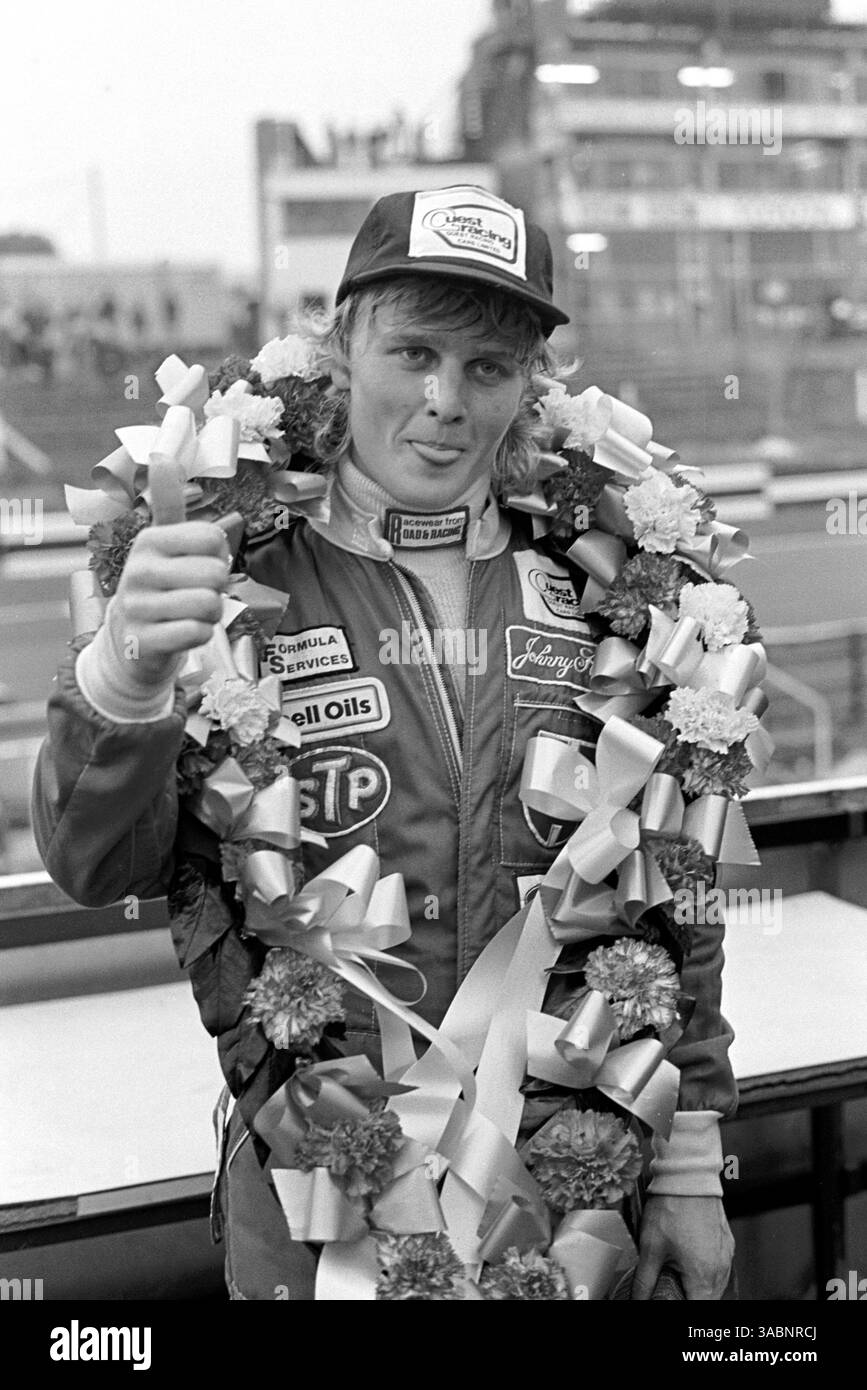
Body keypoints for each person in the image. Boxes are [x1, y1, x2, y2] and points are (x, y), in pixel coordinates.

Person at [32, 185, 736, 1301]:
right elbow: (93, 867)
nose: (444, 402)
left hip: (577, 1194)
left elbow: (676, 900)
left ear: (528, 386)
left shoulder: (615, 592)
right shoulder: (224, 577)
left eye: (487, 369)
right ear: (341, 341)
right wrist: (121, 677)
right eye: (412, 352)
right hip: (318, 1192)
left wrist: (692, 1157)